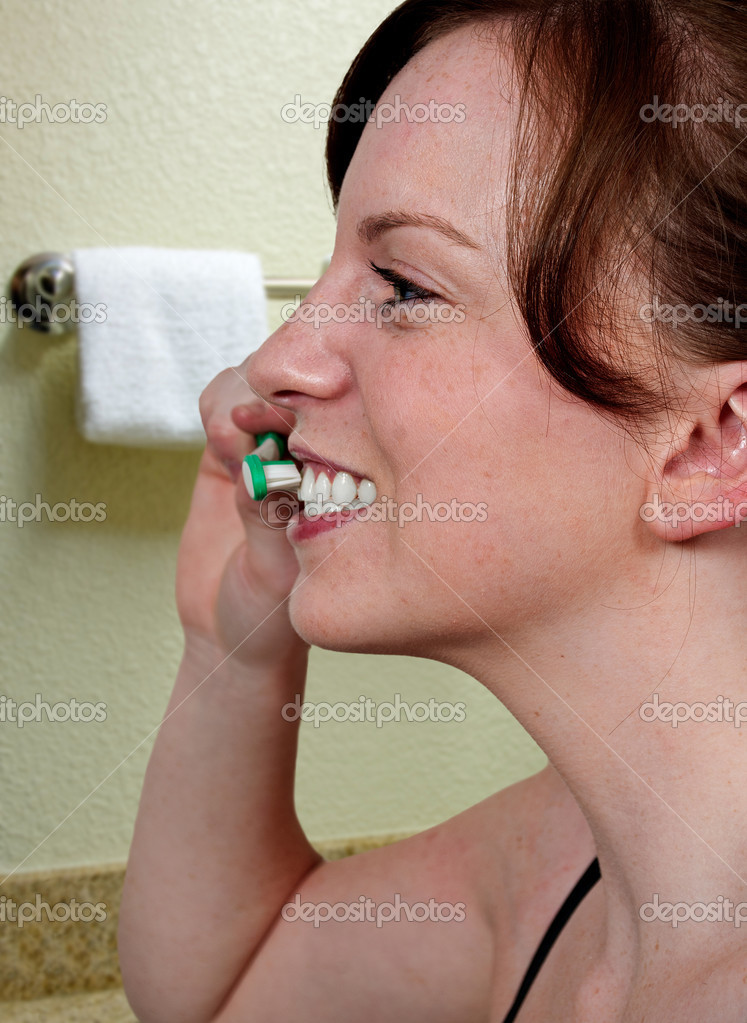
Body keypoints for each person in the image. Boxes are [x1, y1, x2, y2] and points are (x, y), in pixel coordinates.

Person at [118, 1, 747, 1020]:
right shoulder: (572, 863)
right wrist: (232, 639)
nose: (275, 361)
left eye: (402, 285)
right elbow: (223, 990)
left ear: (711, 443)